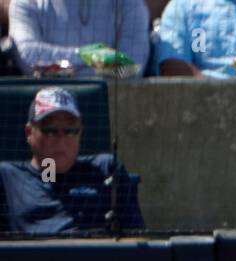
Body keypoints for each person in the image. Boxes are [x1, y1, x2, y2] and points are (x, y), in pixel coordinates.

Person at [0, 87, 144, 234]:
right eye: (50, 130)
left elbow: (136, 241)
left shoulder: (105, 170)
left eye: (70, 131)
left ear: (80, 131)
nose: (61, 140)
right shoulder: (7, 178)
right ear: (29, 132)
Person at [8, 0, 148, 76]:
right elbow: (28, 58)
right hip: (47, 116)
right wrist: (92, 56)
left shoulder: (130, 3)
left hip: (108, 109)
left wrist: (55, 68)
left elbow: (134, 67)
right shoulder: (25, 2)